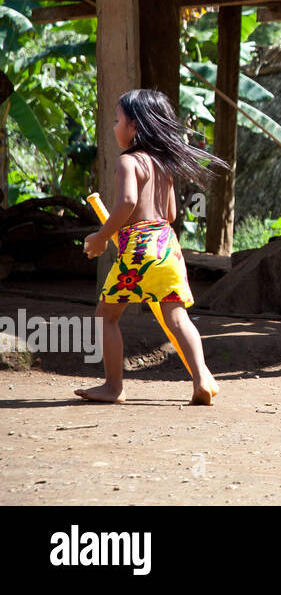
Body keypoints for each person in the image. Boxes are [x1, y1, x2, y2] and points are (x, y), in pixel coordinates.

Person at [77, 89, 228, 405]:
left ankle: (113, 387)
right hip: (167, 247)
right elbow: (171, 214)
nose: (114, 126)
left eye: (118, 120)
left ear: (134, 126)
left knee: (107, 316)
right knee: (177, 318)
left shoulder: (128, 162)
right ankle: (202, 380)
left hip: (138, 251)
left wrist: (102, 235)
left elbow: (128, 202)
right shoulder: (164, 165)